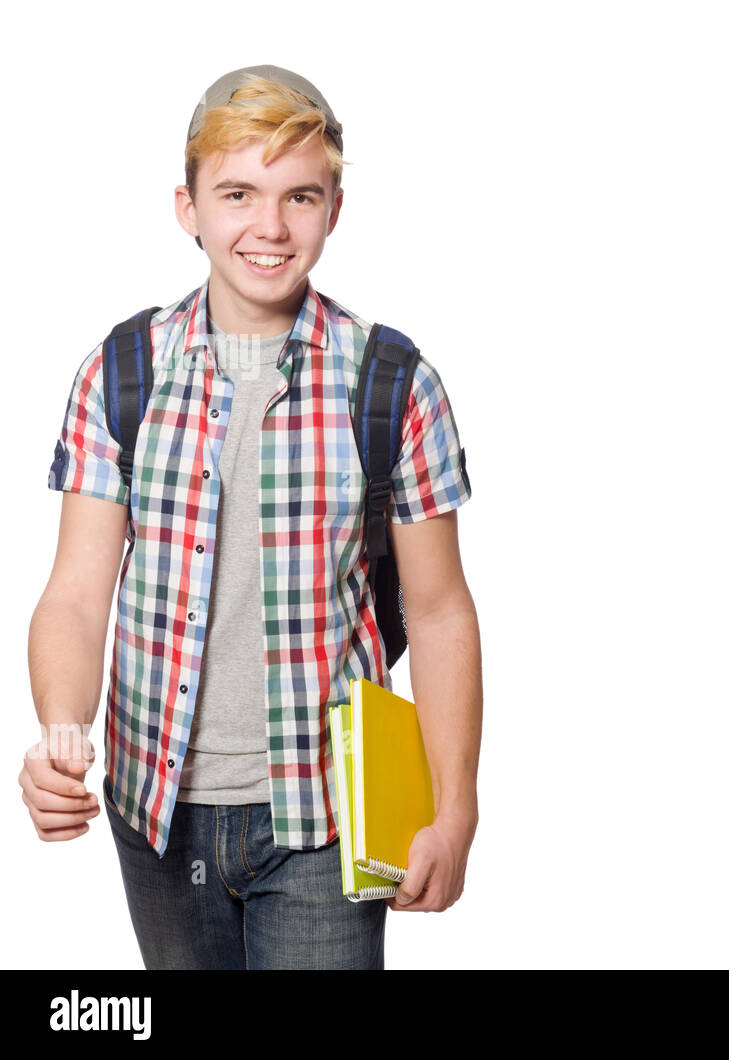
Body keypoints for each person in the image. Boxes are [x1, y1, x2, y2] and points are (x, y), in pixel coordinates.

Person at [23, 65, 482, 970]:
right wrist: (59, 728)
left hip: (325, 809)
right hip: (156, 809)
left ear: (334, 209)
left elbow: (438, 610)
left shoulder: (390, 383)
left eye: (298, 196)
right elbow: (76, 594)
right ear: (189, 208)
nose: (269, 228)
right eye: (238, 194)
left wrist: (456, 805)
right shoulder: (120, 374)